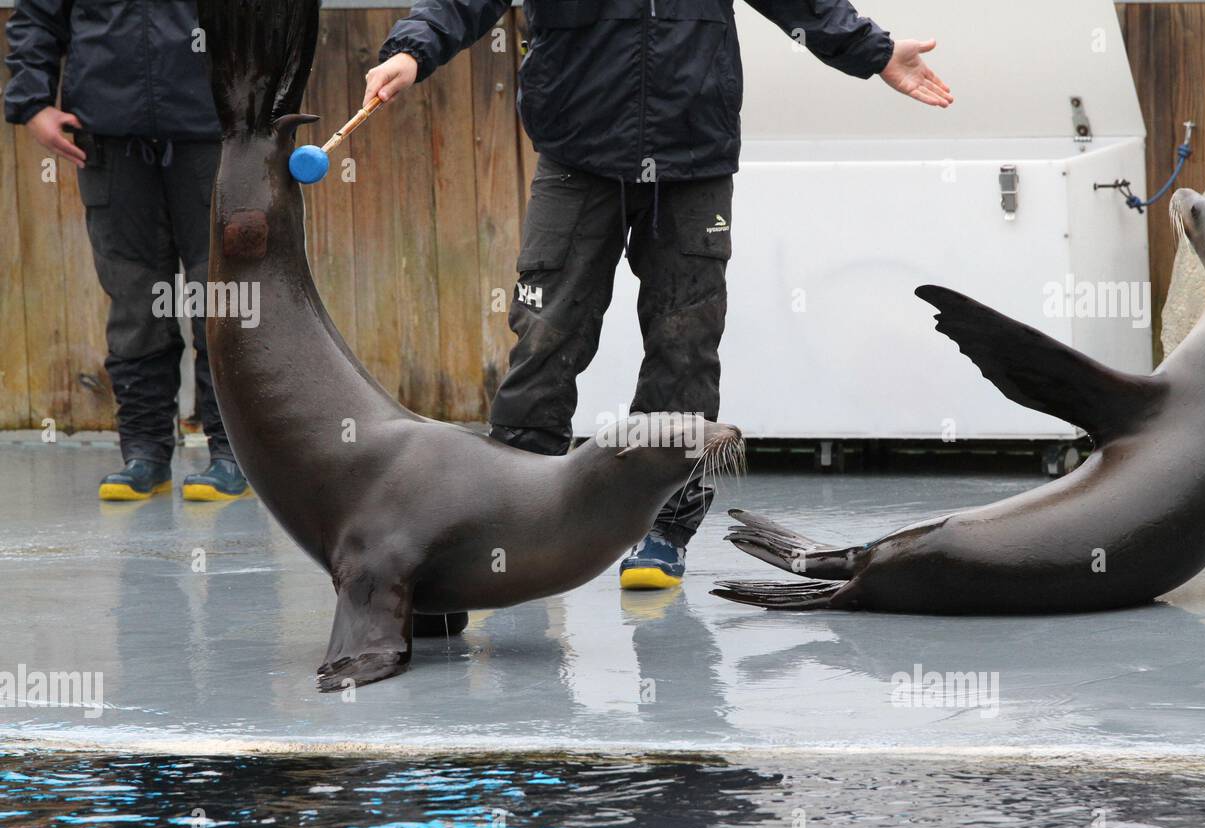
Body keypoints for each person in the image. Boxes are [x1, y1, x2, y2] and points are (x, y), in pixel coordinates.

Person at [366, 0, 952, 589]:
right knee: (546, 338)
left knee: (685, 344)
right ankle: (509, 526)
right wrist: (413, 50)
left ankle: (662, 529)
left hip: (692, 160)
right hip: (577, 155)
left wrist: (875, 52)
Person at [3, 0, 251, 502]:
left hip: (214, 134)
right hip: (108, 137)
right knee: (135, 299)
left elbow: (270, 18)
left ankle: (235, 453)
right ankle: (144, 453)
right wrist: (32, 103)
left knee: (222, 298)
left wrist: (260, 115)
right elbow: (36, 15)